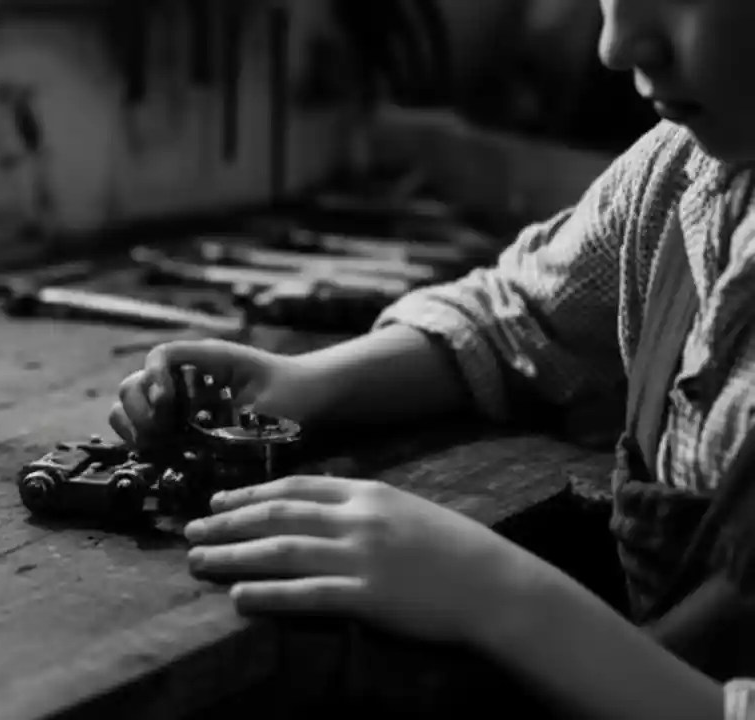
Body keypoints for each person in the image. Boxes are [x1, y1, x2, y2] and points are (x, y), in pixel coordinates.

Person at [109, 0, 755, 717]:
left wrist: (496, 594)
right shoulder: (681, 171)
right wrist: (311, 383)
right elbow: (516, 316)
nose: (614, 46)